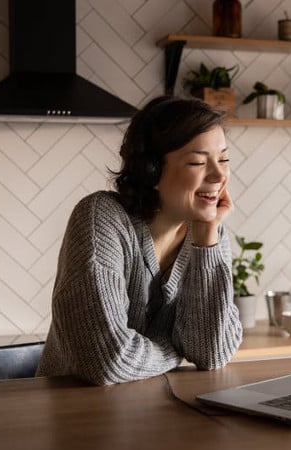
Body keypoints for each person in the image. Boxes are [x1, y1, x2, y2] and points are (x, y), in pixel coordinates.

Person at [36, 96, 243, 385]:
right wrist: (175, 349)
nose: (220, 175)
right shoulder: (101, 218)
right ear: (152, 171)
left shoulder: (210, 234)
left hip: (155, 413)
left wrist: (207, 239)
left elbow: (211, 354)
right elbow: (108, 361)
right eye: (198, 162)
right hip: (74, 415)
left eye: (223, 159)